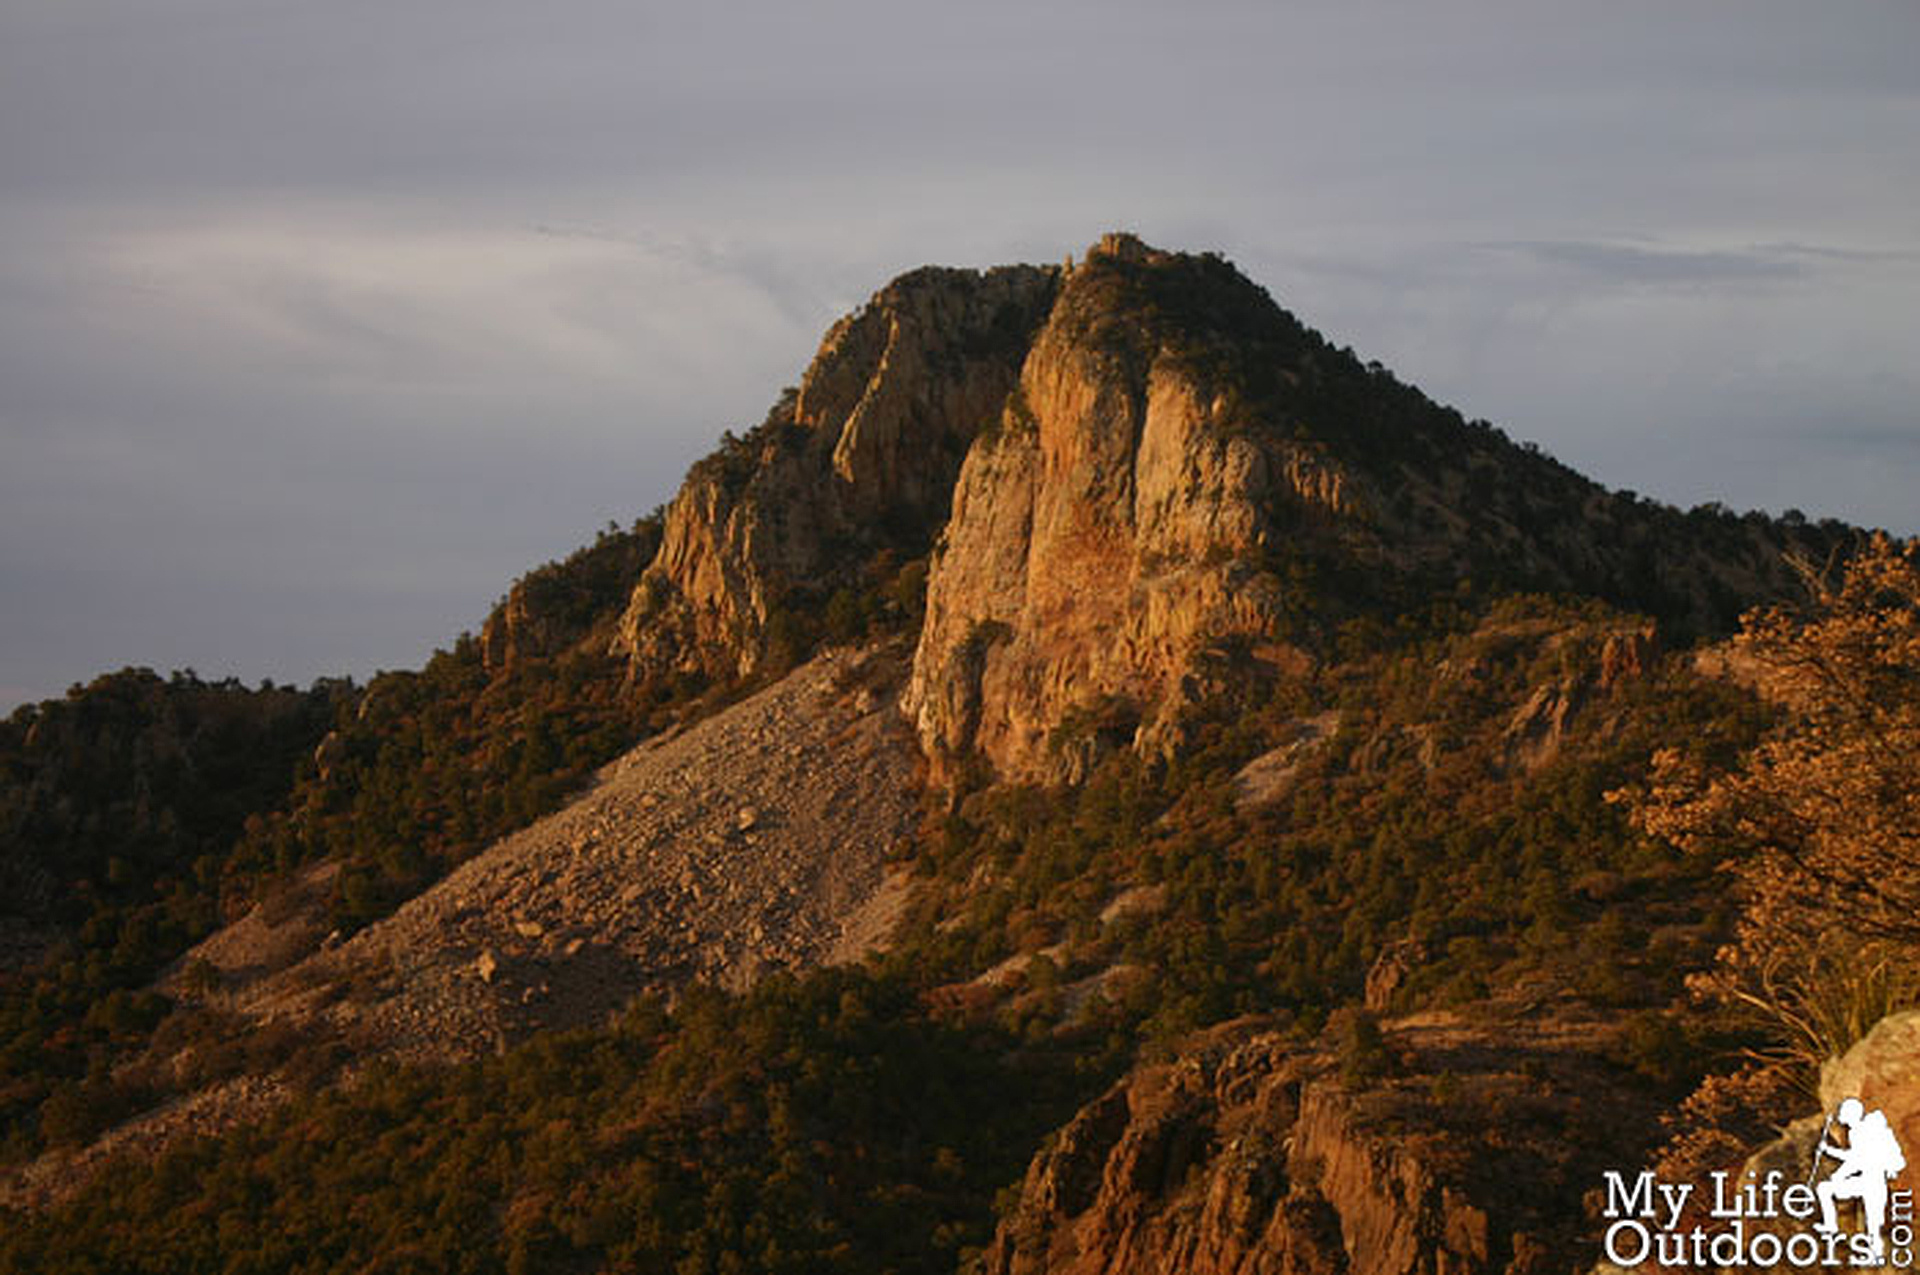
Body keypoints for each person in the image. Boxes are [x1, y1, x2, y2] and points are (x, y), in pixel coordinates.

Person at [1815, 1098, 1906, 1256]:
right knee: (1824, 1189)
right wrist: (1829, 1151)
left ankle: (1876, 1253)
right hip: (1864, 1180)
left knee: (1872, 1223)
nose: (1841, 1115)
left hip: (1874, 1182)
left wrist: (1839, 1173)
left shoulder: (1866, 1132)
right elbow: (1854, 1157)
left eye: (1844, 1112)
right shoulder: (1854, 1132)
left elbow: (1857, 1160)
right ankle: (1830, 1225)